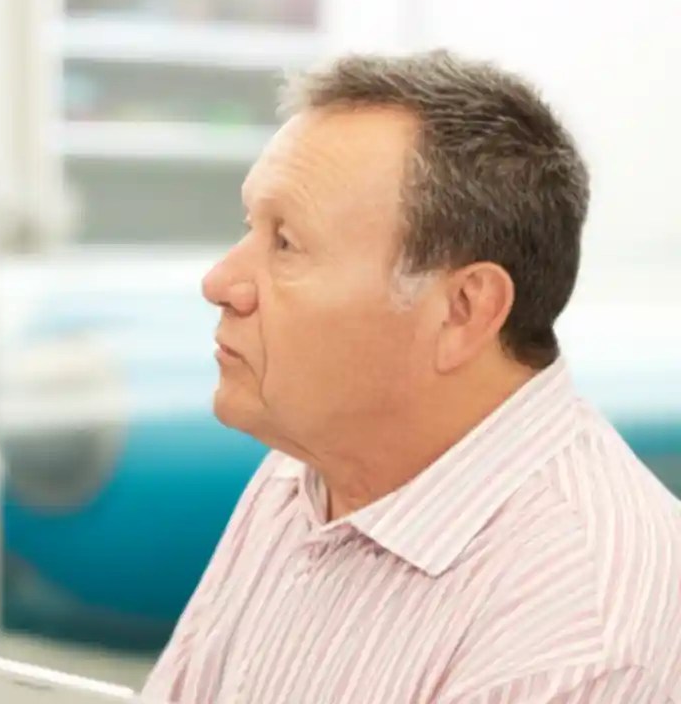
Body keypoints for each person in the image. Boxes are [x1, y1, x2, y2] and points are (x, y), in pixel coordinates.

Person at [141, 50, 681, 703]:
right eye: (250, 226)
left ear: (463, 310)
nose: (220, 282)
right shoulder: (308, 465)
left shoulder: (577, 644)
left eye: (286, 243)